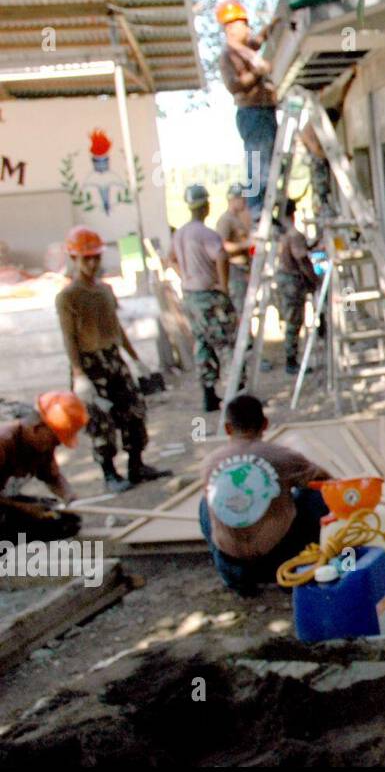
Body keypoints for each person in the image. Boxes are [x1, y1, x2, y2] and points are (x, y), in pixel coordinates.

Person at [55, 226, 168, 492]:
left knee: (133, 410)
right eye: (86, 259)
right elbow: (69, 338)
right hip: (89, 362)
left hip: (113, 357)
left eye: (96, 257)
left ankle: (136, 465)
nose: (92, 264)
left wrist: (137, 359)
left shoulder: (105, 290)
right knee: (100, 419)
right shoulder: (68, 296)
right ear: (74, 259)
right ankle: (109, 473)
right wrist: (79, 374)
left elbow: (115, 327)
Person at [198, 394, 332, 595]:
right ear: (265, 424)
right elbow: (327, 482)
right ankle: (301, 567)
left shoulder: (209, 462)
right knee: (314, 495)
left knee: (205, 502)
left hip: (234, 567)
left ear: (228, 428)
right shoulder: (282, 456)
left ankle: (236, 580)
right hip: (278, 562)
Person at [168, 184, 236, 413]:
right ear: (206, 206)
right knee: (226, 343)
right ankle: (235, 392)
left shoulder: (180, 233)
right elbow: (221, 255)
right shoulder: (204, 233)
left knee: (202, 343)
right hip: (208, 295)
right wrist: (224, 286)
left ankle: (209, 392)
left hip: (190, 296)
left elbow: (171, 258)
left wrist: (185, 276)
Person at [217, 0, 281, 219]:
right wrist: (258, 73)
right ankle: (256, 209)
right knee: (257, 160)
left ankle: (267, 207)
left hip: (264, 110)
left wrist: (271, 28)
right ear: (231, 28)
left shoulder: (244, 50)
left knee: (271, 160)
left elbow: (257, 42)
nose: (247, 28)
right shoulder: (228, 55)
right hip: (252, 113)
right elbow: (233, 85)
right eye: (243, 24)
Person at [0, 391, 86, 541]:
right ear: (37, 428)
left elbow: (52, 477)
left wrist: (69, 497)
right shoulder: (4, 442)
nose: (56, 445)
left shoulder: (40, 444)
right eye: (55, 440)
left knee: (65, 520)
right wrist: (25, 508)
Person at [275, 197, 322, 375]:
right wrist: (314, 279)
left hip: (288, 281)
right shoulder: (294, 234)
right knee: (294, 321)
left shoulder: (285, 233)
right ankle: (291, 361)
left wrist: (312, 245)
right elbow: (301, 258)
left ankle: (292, 358)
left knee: (292, 320)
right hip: (292, 283)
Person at [215, 183, 254, 316]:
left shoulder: (238, 219)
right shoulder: (225, 220)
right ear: (232, 200)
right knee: (239, 310)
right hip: (234, 271)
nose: (244, 201)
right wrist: (246, 245)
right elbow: (221, 246)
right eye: (241, 198)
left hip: (242, 270)